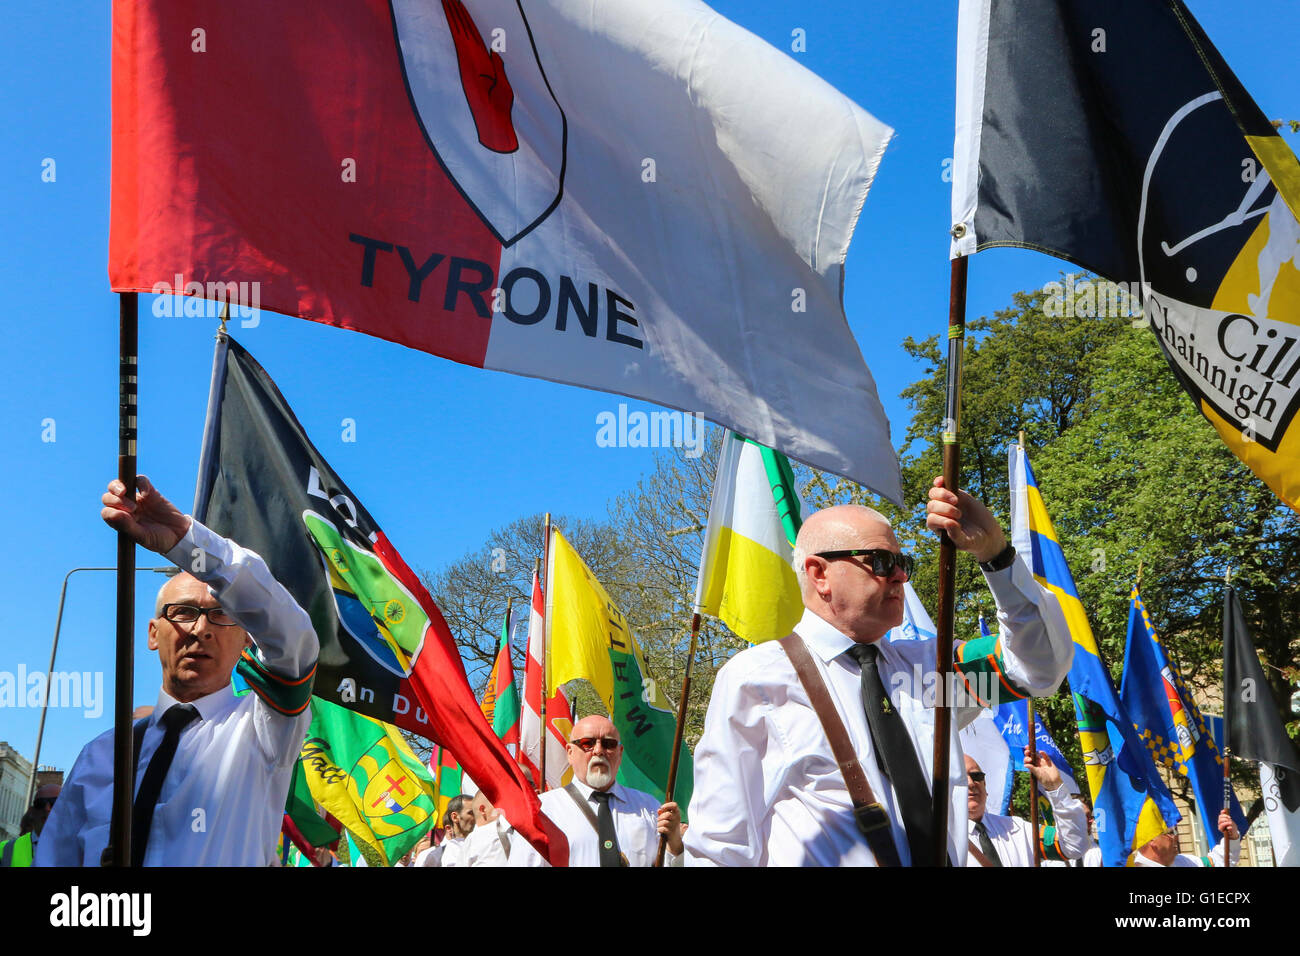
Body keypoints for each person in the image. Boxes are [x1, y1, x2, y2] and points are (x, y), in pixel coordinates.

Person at [685, 478, 1073, 866]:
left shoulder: (929, 670)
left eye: (903, 564)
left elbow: (1038, 667)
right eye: (881, 562)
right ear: (819, 573)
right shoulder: (755, 679)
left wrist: (996, 554)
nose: (901, 577)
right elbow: (720, 845)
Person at [37, 476, 318, 866]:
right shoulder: (101, 755)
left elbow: (293, 638)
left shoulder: (263, 732)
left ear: (245, 642)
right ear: (153, 634)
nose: (201, 629)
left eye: (222, 616)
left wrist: (185, 540)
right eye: (184, 612)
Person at [508, 715, 683, 866]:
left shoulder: (649, 807)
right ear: (570, 752)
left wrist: (674, 843)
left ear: (620, 753)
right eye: (587, 743)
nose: (599, 751)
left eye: (608, 744)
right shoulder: (544, 810)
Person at [965, 752, 1088, 866]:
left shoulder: (1016, 828)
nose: (971, 783)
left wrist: (1054, 787)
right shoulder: (947, 839)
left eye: (976, 776)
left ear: (985, 783)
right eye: (961, 778)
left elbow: (1073, 846)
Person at [1130, 812, 1240, 867]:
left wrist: (1231, 836)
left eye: (1175, 831)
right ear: (1151, 840)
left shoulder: (1183, 862)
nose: (1176, 837)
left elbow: (1217, 862)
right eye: (1170, 833)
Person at [0, 784, 61, 867]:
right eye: (40, 804)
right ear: (32, 811)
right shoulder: (5, 850)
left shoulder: (80, 851)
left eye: (55, 803)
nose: (47, 808)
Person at [415, 796, 475, 866]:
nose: (476, 816)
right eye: (471, 813)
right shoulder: (435, 856)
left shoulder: (483, 847)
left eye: (476, 811)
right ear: (455, 817)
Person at [463, 790, 514, 866]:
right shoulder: (472, 840)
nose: (503, 808)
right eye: (498, 804)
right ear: (483, 810)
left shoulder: (513, 831)